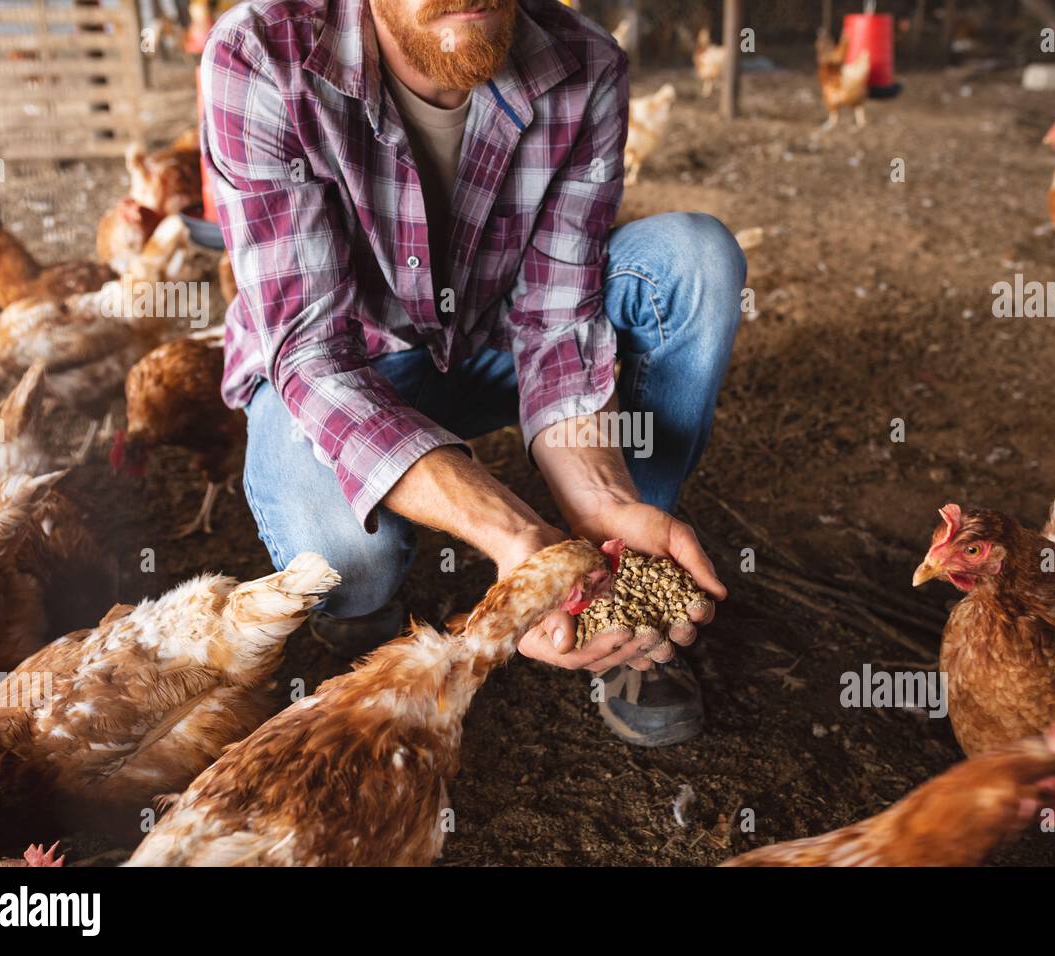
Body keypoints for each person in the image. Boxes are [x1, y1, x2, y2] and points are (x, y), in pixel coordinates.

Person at [201, 0, 745, 746]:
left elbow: (557, 319)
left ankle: (620, 578)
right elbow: (314, 357)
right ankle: (365, 612)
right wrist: (523, 545)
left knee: (695, 260)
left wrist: (591, 506)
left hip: (498, 339)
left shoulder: (586, 63)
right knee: (343, 556)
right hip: (351, 363)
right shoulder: (262, 53)